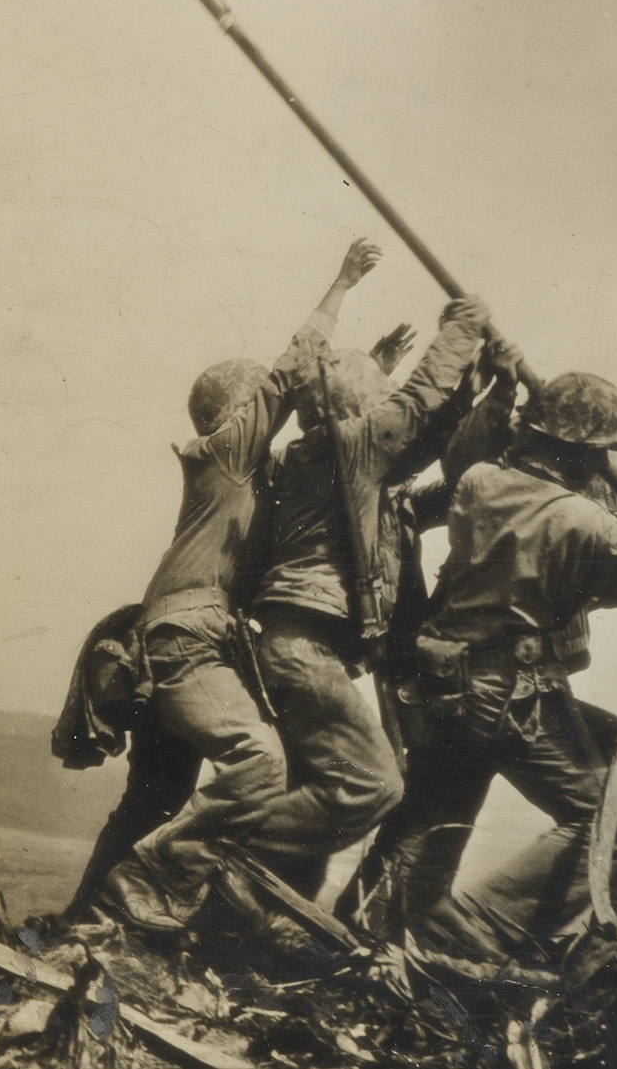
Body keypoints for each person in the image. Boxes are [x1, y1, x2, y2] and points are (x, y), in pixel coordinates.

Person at [53, 238, 381, 931]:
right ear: (236, 412)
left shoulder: (249, 478)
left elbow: (321, 413)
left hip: (176, 643)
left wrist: (371, 372)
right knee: (260, 761)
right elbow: (292, 374)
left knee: (154, 798)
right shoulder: (227, 455)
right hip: (184, 643)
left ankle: (85, 920)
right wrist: (341, 283)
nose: (274, 410)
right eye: (257, 401)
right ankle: (154, 885)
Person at [361, 371, 617, 956]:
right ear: (583, 453)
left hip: (446, 685)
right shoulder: (585, 523)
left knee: (434, 823)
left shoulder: (481, 483)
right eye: (600, 455)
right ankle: (488, 929)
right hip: (508, 697)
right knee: (610, 827)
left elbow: (583, 576)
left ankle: (367, 924)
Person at [230, 293, 495, 900]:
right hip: (304, 649)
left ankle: (254, 913)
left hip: (299, 646)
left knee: (318, 794)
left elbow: (428, 439)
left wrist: (479, 391)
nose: (387, 401)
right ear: (357, 407)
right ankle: (218, 847)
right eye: (378, 393)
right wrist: (460, 329)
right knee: (374, 784)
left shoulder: (328, 457)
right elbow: (417, 403)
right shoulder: (350, 447)